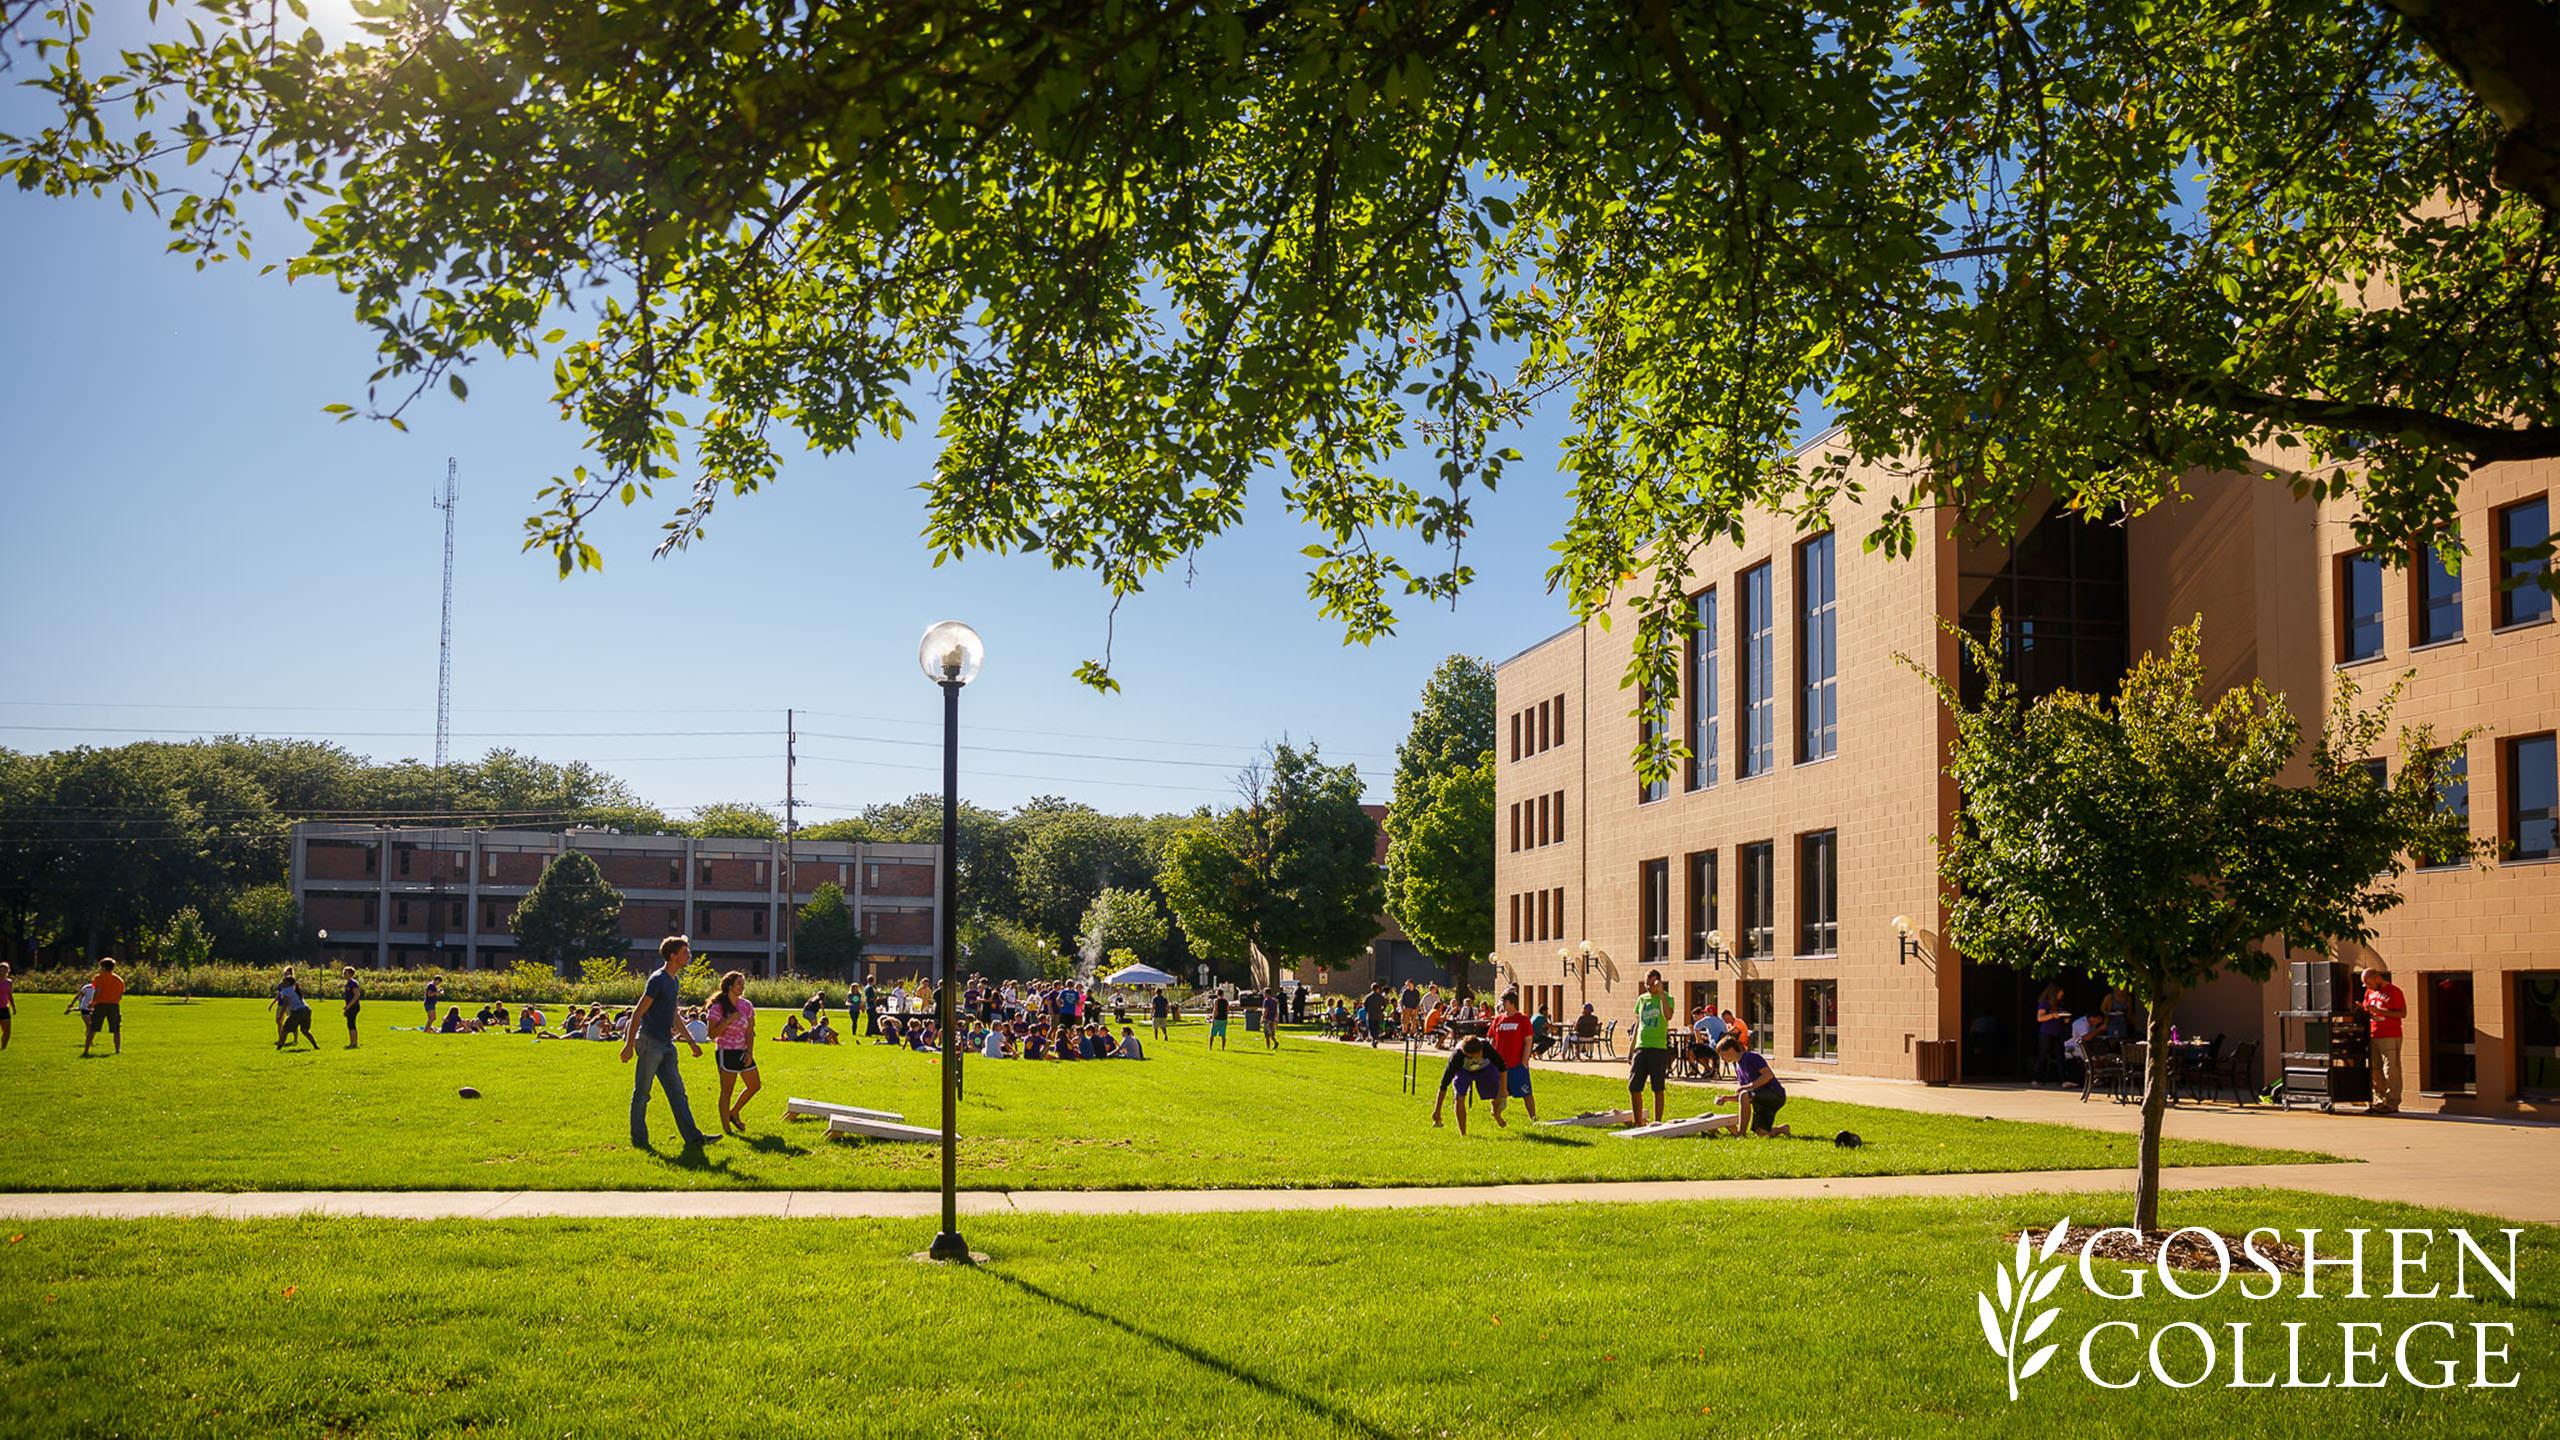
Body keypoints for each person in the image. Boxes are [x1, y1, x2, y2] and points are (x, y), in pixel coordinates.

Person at [621, 935, 714, 1149]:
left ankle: (693, 1138)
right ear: (673, 956)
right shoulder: (657, 980)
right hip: (650, 1043)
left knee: (678, 1093)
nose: (688, 955)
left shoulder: (674, 980)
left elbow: (673, 1014)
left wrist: (691, 1042)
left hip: (667, 1045)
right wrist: (628, 1045)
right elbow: (638, 1013)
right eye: (685, 952)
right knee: (642, 1094)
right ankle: (639, 1140)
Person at [705, 969, 761, 1134]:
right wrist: (728, 1020)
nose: (742, 987)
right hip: (726, 1052)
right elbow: (711, 1034)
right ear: (729, 986)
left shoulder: (747, 1005)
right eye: (739, 984)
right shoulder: (718, 1006)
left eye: (743, 984)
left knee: (755, 1085)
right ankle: (727, 1129)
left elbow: (750, 1031)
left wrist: (750, 1052)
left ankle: (734, 1112)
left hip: (743, 1051)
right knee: (726, 1092)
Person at [1624, 969, 1674, 1125]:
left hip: (1658, 1048)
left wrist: (1661, 995)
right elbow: (1638, 1024)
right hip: (1641, 1046)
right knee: (1634, 1086)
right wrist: (1631, 1048)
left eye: (1651, 983)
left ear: (1658, 982)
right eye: (1646, 983)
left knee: (1658, 1087)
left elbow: (1668, 1016)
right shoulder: (1642, 999)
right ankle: (1638, 1122)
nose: (1647, 986)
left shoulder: (1667, 998)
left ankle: (1657, 1122)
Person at [1430, 1035, 1506, 1135]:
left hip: (1486, 1068)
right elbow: (1443, 1085)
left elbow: (1502, 1068)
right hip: (1464, 1071)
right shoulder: (1457, 1057)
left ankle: (1496, 1114)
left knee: (1496, 1094)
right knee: (1459, 1097)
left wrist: (1503, 1090)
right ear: (1466, 1053)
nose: (1476, 1058)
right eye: (1473, 1056)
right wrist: (1437, 1110)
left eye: (1479, 1055)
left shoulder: (1486, 1047)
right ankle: (1463, 1134)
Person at [1717, 1033, 1791, 1136]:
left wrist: (1747, 1087)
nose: (1722, 1059)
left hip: (1775, 1094)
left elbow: (1768, 1075)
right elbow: (1744, 1096)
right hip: (1760, 1101)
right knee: (1761, 1132)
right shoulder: (1738, 1066)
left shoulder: (1752, 1057)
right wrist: (1725, 1098)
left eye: (1722, 1055)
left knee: (1744, 1094)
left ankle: (1741, 1133)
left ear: (1731, 1050)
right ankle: (1782, 1129)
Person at [2360, 964, 2408, 1115]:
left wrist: (2380, 1011)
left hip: (2390, 1035)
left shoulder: (2394, 991)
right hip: (2373, 1034)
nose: (2367, 986)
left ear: (2377, 978)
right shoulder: (2369, 992)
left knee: (2391, 1069)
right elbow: (2367, 1009)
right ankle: (2379, 1101)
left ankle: (2392, 1102)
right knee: (2375, 1069)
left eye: (2369, 982)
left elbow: (2402, 1013)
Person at [1486, 990, 1538, 1123]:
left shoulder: (1523, 1019)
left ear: (1511, 1003)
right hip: (1500, 1065)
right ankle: (1497, 1115)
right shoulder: (1498, 1019)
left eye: (1504, 1001)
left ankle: (1533, 1118)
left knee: (1526, 1093)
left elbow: (1528, 1041)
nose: (1502, 1004)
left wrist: (1524, 1060)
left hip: (1517, 1065)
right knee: (1498, 1093)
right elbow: (1492, 1039)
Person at [81, 957, 124, 1057]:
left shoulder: (99, 978)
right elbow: (120, 994)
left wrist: (93, 1002)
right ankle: (117, 1050)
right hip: (114, 1005)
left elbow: (98, 991)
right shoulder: (119, 980)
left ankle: (86, 1050)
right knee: (116, 1029)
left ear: (104, 968)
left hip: (101, 1004)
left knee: (93, 1028)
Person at [2033, 981, 2070, 1086]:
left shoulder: (2059, 1004)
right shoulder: (2044, 1003)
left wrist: (2065, 1019)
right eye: (2060, 993)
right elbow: (2040, 1018)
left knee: (2060, 1056)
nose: (2061, 995)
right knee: (2043, 1055)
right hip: (2046, 1032)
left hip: (2058, 1032)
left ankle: (2063, 1080)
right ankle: (2036, 1078)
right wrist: (2053, 1016)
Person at [272, 969, 319, 1050]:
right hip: (307, 1010)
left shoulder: (285, 991)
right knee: (305, 1030)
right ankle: (315, 1046)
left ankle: (279, 1048)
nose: (282, 983)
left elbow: (285, 1004)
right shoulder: (295, 989)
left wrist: (280, 1016)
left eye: (284, 982)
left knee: (285, 1030)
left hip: (297, 1011)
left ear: (288, 983)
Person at [340, 966, 363, 1049]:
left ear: (350, 974)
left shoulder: (353, 983)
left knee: (352, 1024)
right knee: (349, 1024)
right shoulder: (348, 983)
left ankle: (354, 1043)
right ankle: (352, 1042)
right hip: (350, 1007)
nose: (343, 974)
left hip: (354, 1006)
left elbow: (357, 995)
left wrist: (349, 1006)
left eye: (345, 973)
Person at [1261, 985, 1283, 1050]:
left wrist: (1262, 1017)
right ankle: (1275, 1042)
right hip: (1272, 1018)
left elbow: (1266, 1010)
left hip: (1267, 1018)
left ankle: (1268, 1047)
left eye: (1264, 993)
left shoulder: (1266, 1000)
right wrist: (1276, 1019)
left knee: (1267, 1034)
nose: (1264, 995)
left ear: (1267, 993)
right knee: (1272, 1033)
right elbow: (1276, 1011)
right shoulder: (1274, 1001)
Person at [0, 960, 13, 1050]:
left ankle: (3, 1048)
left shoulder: (9, 982)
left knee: (7, 1032)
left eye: (5, 969)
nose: (2, 971)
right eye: (1, 969)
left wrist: (14, 1007)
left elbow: (9, 994)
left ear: (8, 971)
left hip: (5, 1009)